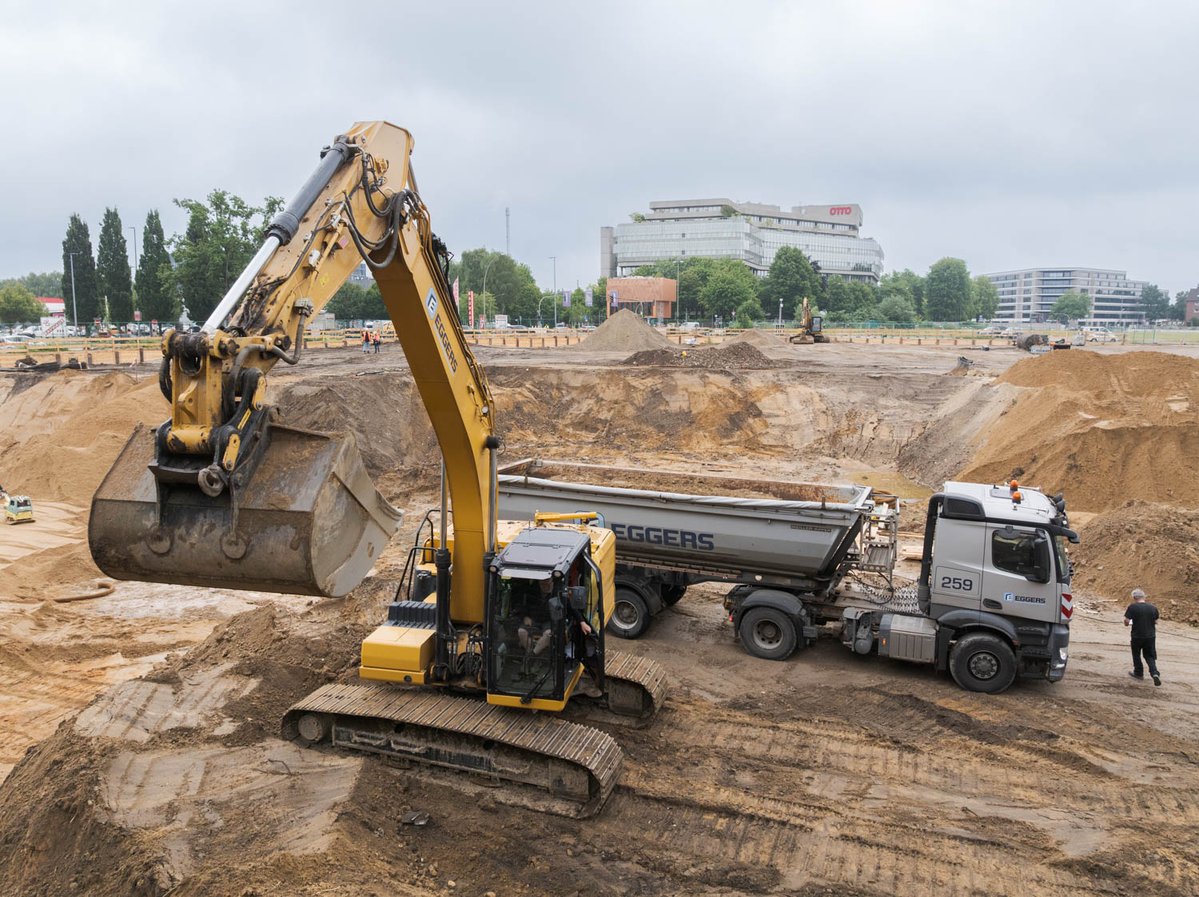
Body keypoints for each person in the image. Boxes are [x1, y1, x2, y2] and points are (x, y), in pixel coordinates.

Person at [1124, 588, 1161, 686]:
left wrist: (1128, 623)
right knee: (1149, 655)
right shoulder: (1153, 608)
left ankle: (1138, 672)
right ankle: (1154, 673)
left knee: (1136, 654)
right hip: (1150, 636)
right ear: (1144, 596)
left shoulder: (1132, 607)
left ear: (1134, 597)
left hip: (1137, 635)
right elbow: (1156, 621)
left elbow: (1127, 621)